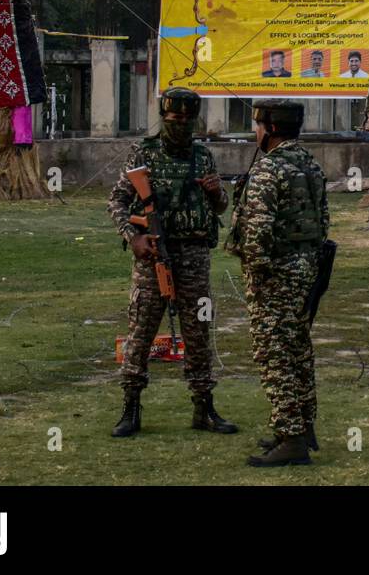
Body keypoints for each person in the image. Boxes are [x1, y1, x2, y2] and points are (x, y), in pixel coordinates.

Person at [106, 87, 236, 439]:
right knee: (142, 331)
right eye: (172, 118)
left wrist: (215, 193)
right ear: (163, 117)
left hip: (194, 256)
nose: (178, 124)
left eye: (185, 119)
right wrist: (132, 238)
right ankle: (130, 407)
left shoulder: (202, 157)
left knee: (198, 333)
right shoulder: (142, 154)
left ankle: (203, 407)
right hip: (153, 255)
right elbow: (117, 201)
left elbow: (221, 207)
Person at [227, 99, 330, 467]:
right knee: (298, 347)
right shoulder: (310, 165)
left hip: (273, 273)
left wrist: (257, 273)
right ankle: (301, 424)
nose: (255, 132)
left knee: (275, 354)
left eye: (257, 125)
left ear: (269, 128)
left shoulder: (269, 169)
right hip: (305, 268)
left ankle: (292, 438)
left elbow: (256, 232)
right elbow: (323, 220)